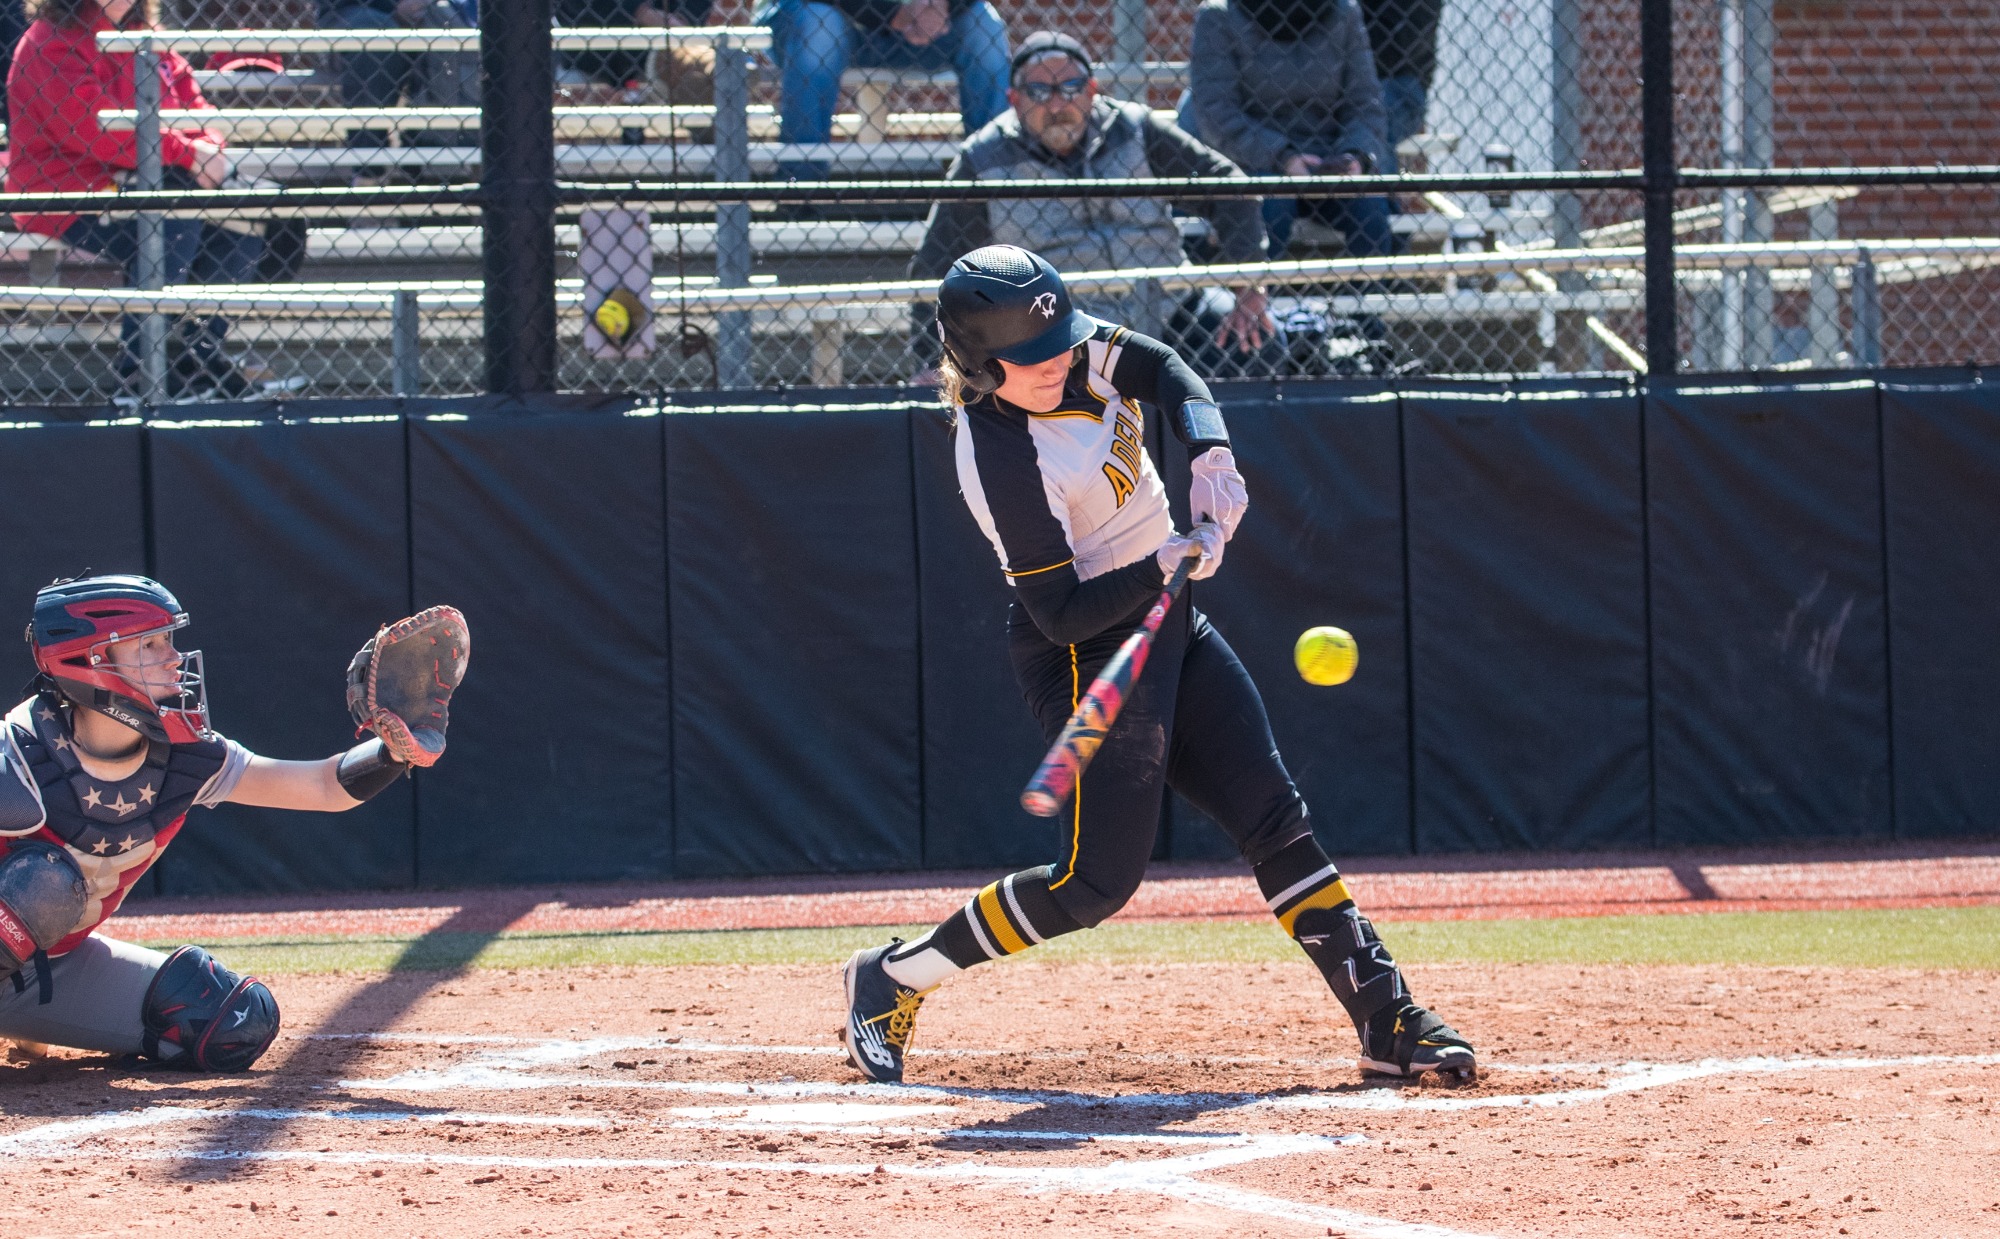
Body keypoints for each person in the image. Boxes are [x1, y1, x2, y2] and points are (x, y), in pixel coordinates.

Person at [840, 245, 1476, 1087]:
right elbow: (1059, 610)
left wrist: (1211, 452)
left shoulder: (1074, 351)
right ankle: (890, 976)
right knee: (1093, 884)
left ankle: (1386, 1019)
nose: (1061, 360)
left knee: (1274, 817)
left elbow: (1169, 367)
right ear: (979, 364)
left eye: (1062, 340)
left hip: (1168, 620)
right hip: (1086, 653)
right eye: (1033, 358)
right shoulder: (996, 459)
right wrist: (1164, 561)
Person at [0, 576, 467, 1070]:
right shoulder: (18, 756)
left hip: (50, 969)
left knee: (235, 1022)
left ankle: (25, 1019)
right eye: (150, 645)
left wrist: (394, 752)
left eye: (170, 640)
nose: (173, 658)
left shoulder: (187, 755)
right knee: (44, 887)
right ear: (91, 661)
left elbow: (322, 787)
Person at [909, 32, 1280, 382]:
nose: (1057, 104)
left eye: (1070, 88)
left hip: (1171, 310)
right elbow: (935, 265)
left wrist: (1248, 289)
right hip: (1055, 333)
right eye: (1039, 91)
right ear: (1015, 100)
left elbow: (1231, 188)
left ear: (1091, 91)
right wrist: (932, 360)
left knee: (1259, 342)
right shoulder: (982, 159)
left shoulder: (1136, 128)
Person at [4, 0, 267, 397]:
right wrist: (187, 154)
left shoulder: (143, 32)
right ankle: (141, 375)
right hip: (69, 192)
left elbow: (193, 102)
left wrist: (207, 147)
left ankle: (198, 360)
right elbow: (93, 128)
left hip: (155, 176)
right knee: (168, 216)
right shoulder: (52, 39)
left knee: (244, 222)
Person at [1186, 0, 1396, 261]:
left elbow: (1365, 104)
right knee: (1269, 208)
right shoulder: (1219, 14)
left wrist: (1356, 155)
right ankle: (1258, 298)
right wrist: (1283, 157)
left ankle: (1368, 299)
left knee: (1371, 212)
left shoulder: (1343, 11)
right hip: (1254, 159)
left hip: (1328, 158)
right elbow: (1215, 113)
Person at [754, 0, 1010, 179]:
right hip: (820, 16)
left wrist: (942, 5)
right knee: (819, 30)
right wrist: (892, 12)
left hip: (924, 23)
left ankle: (996, 181)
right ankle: (800, 190)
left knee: (984, 27)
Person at [319, 0, 479, 152]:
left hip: (430, 9)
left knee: (448, 19)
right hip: (352, 12)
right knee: (375, 35)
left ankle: (436, 140)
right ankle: (368, 168)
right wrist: (395, 8)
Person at [552, 0, 709, 93]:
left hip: (655, 57)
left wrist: (682, 20)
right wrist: (640, 12)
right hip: (586, 59)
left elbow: (695, 7)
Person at [1358, 0, 1440, 173]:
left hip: (1396, 80)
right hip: (1344, 79)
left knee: (1372, 132)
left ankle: (1378, 194)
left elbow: (1398, 44)